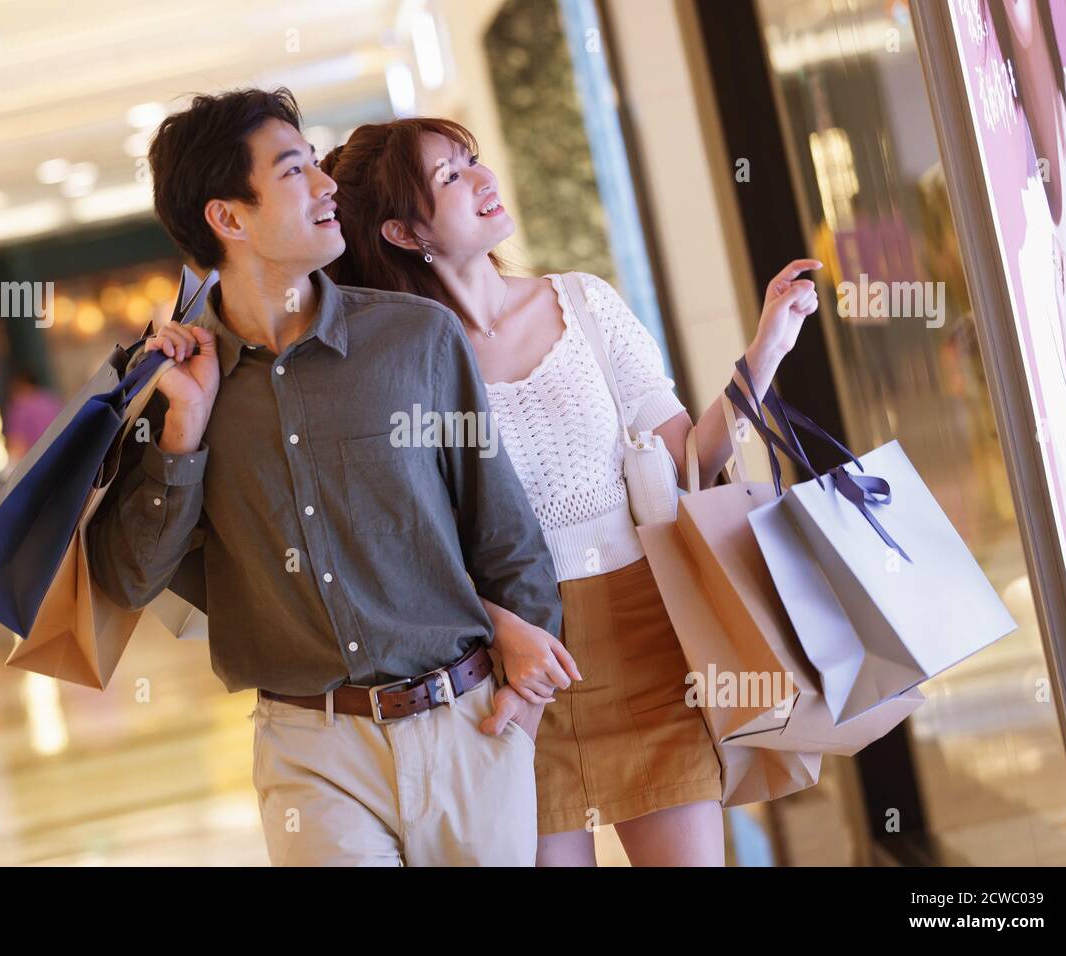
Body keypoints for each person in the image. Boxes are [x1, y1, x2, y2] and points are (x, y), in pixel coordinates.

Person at [86, 87, 573, 866]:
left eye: (315, 163)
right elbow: (128, 576)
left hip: (465, 726)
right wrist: (183, 431)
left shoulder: (416, 338)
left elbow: (500, 523)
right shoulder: (173, 380)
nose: (326, 186)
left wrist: (526, 678)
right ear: (229, 217)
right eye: (294, 171)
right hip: (309, 751)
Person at [320, 116, 820, 866]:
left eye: (473, 162)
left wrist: (766, 351)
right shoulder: (402, 362)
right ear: (401, 232)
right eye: (451, 178)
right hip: (514, 673)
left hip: (652, 642)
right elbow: (413, 545)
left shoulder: (582, 303)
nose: (485, 181)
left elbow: (688, 456)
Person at [4, 370, 63, 465]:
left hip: (35, 465)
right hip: (59, 458)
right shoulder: (51, 400)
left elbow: (17, 445)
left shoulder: (20, 406)